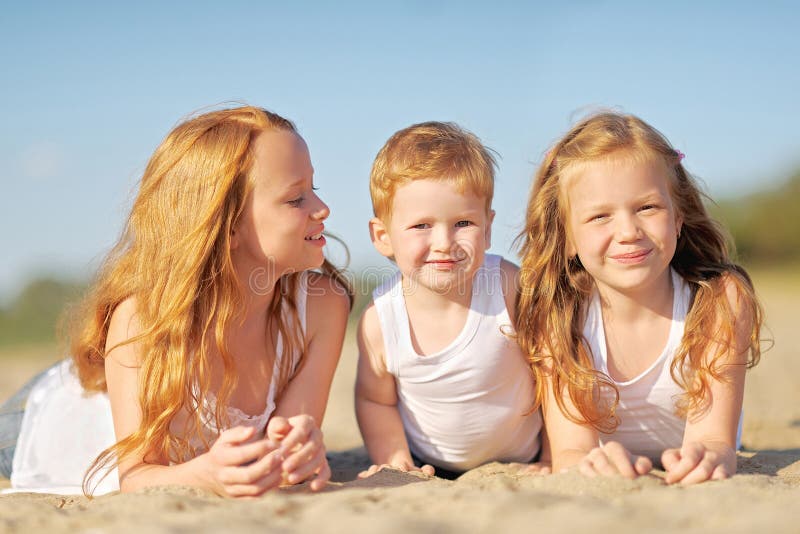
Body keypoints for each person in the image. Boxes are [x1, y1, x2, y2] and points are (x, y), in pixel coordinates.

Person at [0, 106, 351, 497]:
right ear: (227, 224)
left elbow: (285, 449)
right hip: (42, 422)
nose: (322, 209)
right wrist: (203, 477)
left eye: (314, 189)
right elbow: (133, 477)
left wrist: (298, 454)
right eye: (295, 198)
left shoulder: (323, 308)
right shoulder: (143, 321)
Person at [515, 111, 762, 485]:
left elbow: (713, 439)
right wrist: (589, 465)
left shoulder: (717, 300)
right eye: (600, 216)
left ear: (678, 216)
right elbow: (571, 450)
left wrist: (708, 455)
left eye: (647, 208)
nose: (628, 231)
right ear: (565, 237)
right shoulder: (561, 314)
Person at [355, 121, 546, 480]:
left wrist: (555, 455)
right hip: (428, 463)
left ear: (487, 229)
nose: (444, 242)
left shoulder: (507, 288)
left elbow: (554, 373)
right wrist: (394, 458)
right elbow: (375, 399)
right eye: (421, 226)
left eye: (463, 223)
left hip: (524, 456)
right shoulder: (381, 321)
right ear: (383, 236)